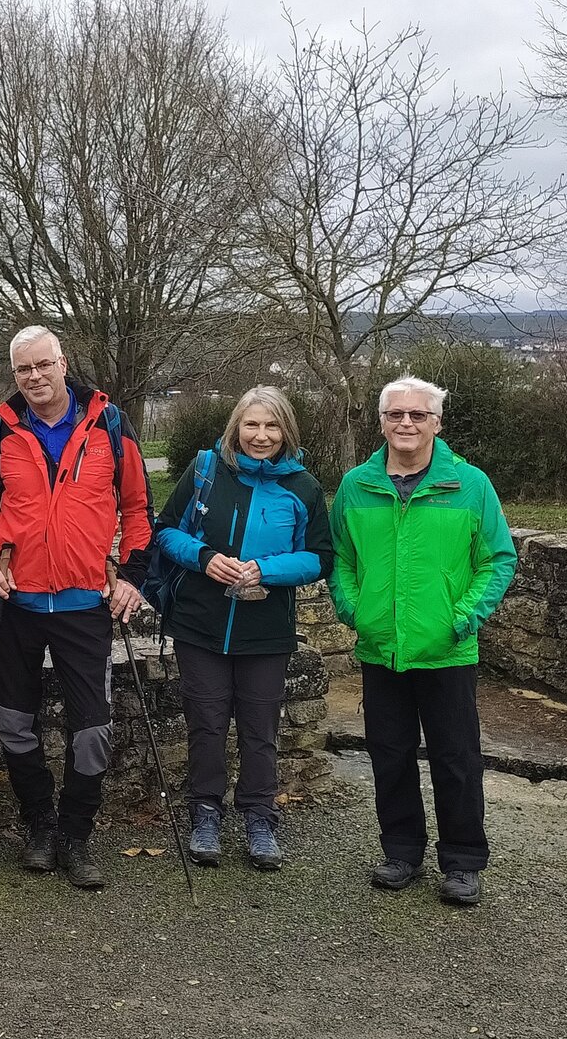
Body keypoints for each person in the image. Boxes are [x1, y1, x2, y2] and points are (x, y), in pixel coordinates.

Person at [0, 325, 153, 890]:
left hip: (84, 602)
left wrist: (133, 577)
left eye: (43, 365)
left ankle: (76, 834)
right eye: (23, 369)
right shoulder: (2, 426)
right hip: (17, 601)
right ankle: (39, 826)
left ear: (63, 362)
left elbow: (139, 508)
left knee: (92, 729)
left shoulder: (107, 423)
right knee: (15, 723)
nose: (35, 377)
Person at [330, 375, 517, 907]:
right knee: (388, 755)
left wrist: (462, 618)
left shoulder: (470, 484)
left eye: (417, 415)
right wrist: (353, 610)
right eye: (395, 415)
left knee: (456, 759)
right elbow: (341, 558)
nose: (406, 423)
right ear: (382, 422)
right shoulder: (357, 485)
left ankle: (461, 861)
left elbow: (498, 560)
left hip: (447, 650)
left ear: (437, 422)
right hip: (380, 647)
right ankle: (401, 851)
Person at [151, 387, 330, 873]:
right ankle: (205, 813)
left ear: (286, 432)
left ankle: (259, 816)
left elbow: (320, 557)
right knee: (206, 724)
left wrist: (265, 570)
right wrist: (205, 559)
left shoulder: (304, 488)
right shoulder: (207, 469)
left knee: (260, 728)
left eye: (272, 427)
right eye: (251, 425)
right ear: (236, 428)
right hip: (200, 624)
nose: (261, 436)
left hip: (265, 629)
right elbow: (165, 529)